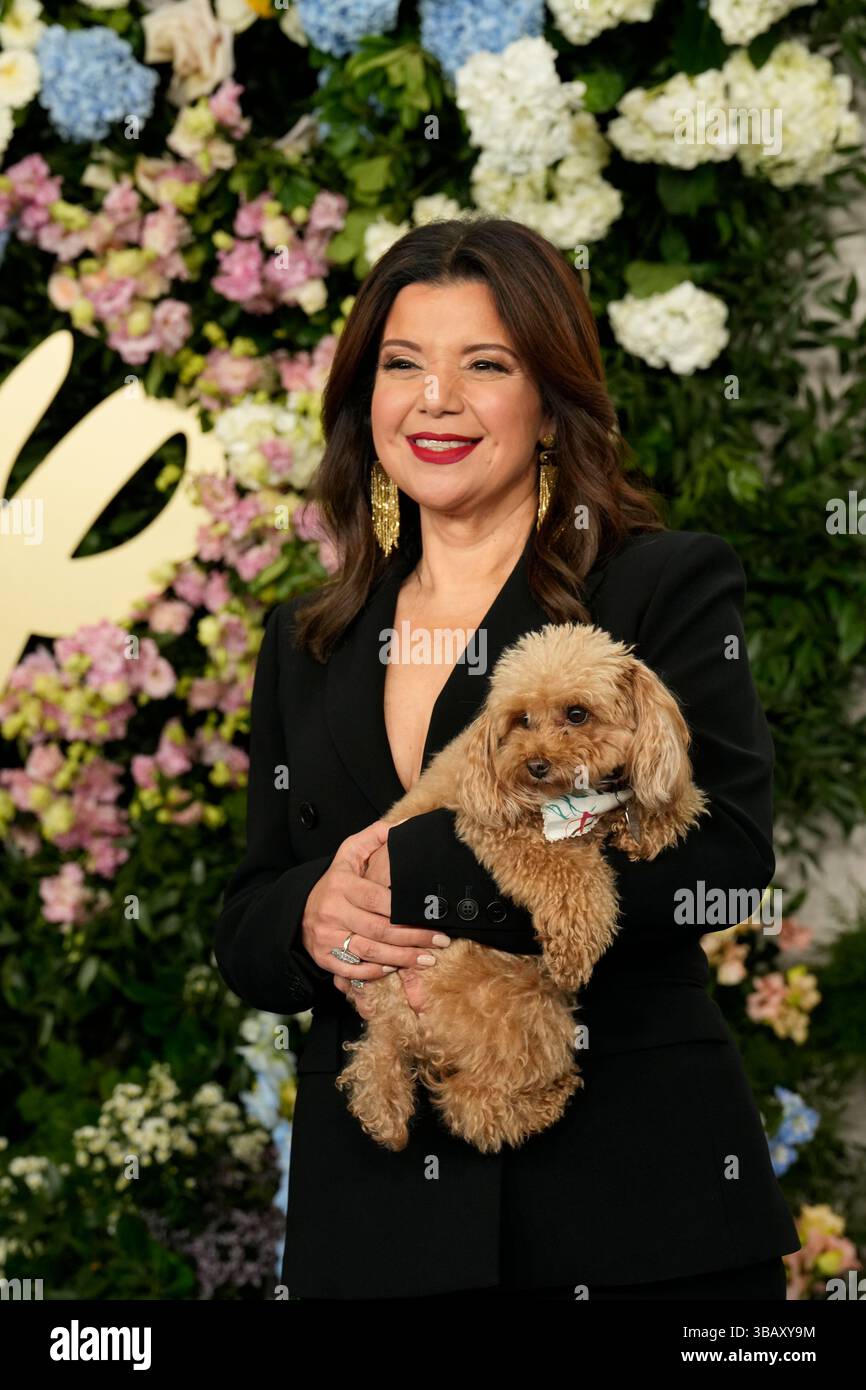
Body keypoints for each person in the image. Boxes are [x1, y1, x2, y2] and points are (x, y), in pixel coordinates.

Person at [213, 216, 801, 1300]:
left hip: (631, 1214)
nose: (434, 399)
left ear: (547, 402)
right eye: (402, 364)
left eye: (483, 364)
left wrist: (426, 876)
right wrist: (306, 918)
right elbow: (247, 915)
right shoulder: (308, 637)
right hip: (378, 1228)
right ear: (364, 397)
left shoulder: (654, 584)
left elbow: (724, 850)